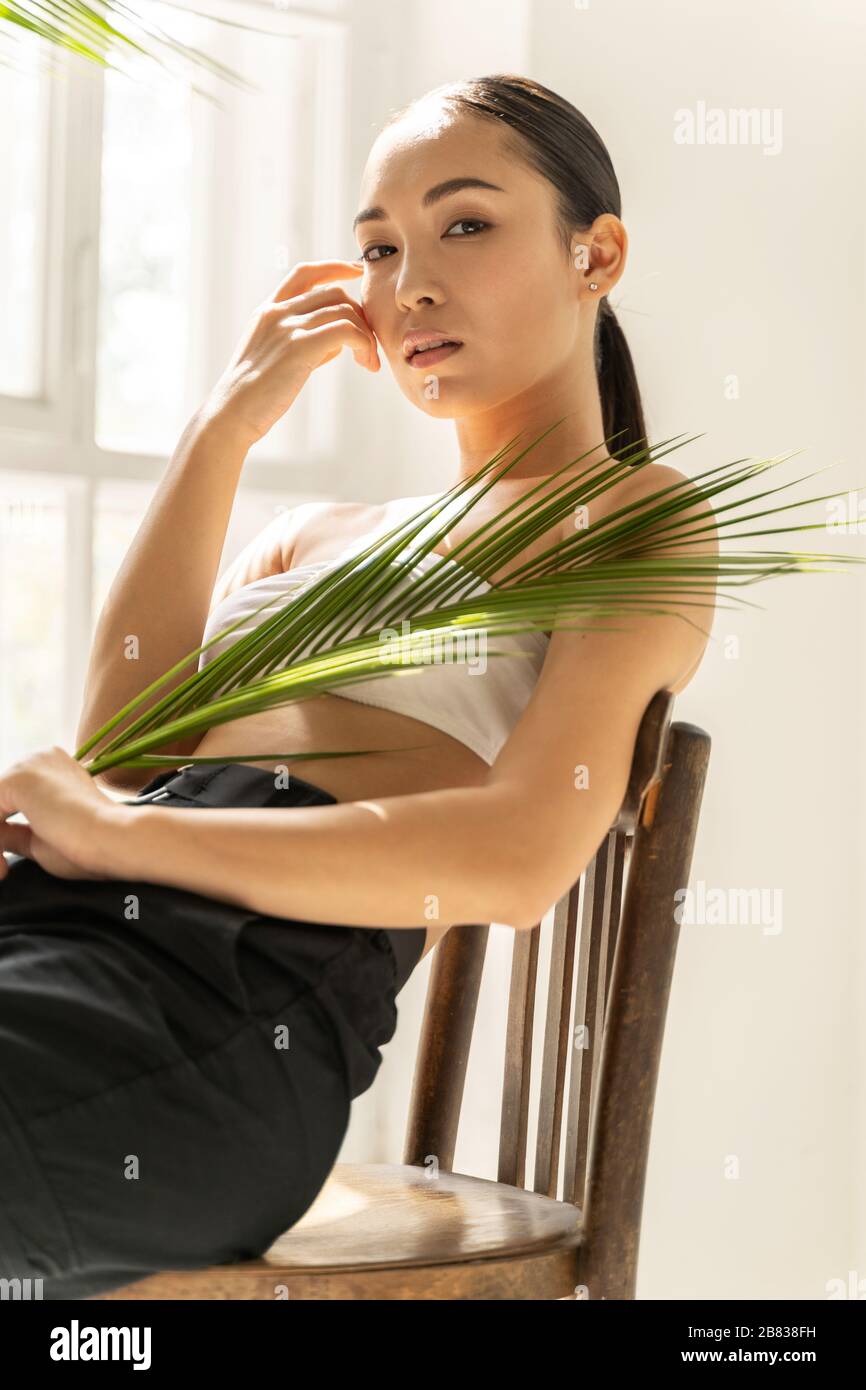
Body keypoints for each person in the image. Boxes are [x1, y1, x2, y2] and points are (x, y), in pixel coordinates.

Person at [0, 75, 716, 1299]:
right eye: (379, 248)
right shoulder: (314, 536)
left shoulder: (625, 519)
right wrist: (222, 429)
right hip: (59, 941)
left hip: (218, 1015)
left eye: (465, 224)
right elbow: (125, 758)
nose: (410, 281)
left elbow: (519, 856)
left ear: (593, 254)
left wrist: (122, 838)